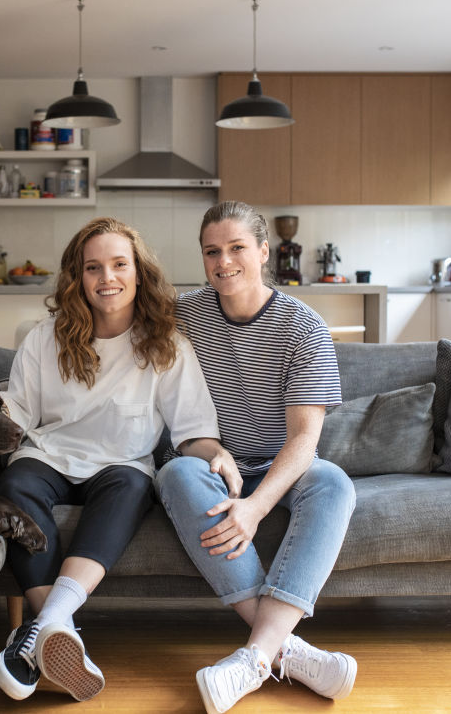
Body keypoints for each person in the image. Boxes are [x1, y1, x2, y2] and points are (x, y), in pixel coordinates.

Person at [0, 216, 226, 703]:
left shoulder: (167, 346)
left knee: (135, 487)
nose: (107, 278)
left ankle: (41, 628)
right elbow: (18, 414)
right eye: (94, 267)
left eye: (119, 265)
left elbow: (193, 430)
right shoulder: (45, 337)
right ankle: (58, 631)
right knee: (14, 485)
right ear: (78, 277)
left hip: (121, 465)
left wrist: (216, 454)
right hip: (50, 455)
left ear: (139, 273)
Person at [154, 201, 357, 713]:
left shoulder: (302, 326)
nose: (224, 262)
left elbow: (304, 441)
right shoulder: (185, 316)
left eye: (237, 248)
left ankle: (255, 656)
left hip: (280, 464)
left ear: (263, 252)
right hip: (210, 463)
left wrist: (255, 508)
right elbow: (110, 330)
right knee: (175, 473)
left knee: (334, 484)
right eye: (212, 252)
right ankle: (286, 649)